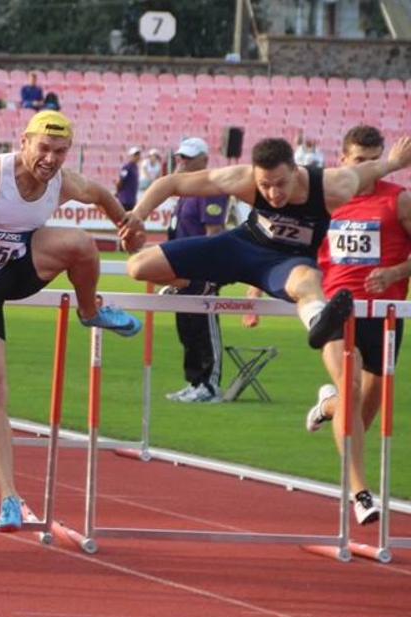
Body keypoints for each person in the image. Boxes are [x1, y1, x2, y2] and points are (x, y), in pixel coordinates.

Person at [0, 110, 144, 533]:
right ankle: (9, 498)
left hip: (20, 266)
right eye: (44, 148)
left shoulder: (63, 180)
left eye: (60, 151)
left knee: (81, 245)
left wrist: (125, 225)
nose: (51, 159)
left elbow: (100, 195)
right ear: (24, 142)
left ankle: (90, 312)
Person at [123, 135, 411, 352]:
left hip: (286, 262)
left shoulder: (333, 184)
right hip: (240, 247)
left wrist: (395, 162)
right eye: (265, 185)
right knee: (138, 267)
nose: (273, 193)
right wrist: (137, 216)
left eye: (281, 183)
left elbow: (372, 169)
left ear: (296, 171)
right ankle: (198, 284)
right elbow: (171, 183)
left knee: (308, 283)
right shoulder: (242, 178)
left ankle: (317, 324)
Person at [302, 125, 411, 525]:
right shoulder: (328, 203)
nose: (371, 168)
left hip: (385, 315)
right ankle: (361, 493)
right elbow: (294, 249)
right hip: (336, 310)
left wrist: (395, 270)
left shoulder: (399, 201)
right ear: (343, 161)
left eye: (377, 159)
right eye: (361, 161)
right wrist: (254, 289)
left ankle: (327, 405)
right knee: (350, 386)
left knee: (362, 413)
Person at [159, 137, 228, 403]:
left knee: (204, 328)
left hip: (201, 271)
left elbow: (213, 233)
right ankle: (195, 381)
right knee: (187, 330)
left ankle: (210, 385)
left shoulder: (210, 189)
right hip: (181, 271)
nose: (183, 162)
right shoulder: (184, 189)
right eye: (181, 157)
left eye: (188, 158)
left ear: (204, 160)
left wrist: (209, 271)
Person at [115, 146, 142, 211]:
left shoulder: (135, 167)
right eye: (135, 155)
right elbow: (121, 180)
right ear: (131, 156)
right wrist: (118, 192)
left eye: (138, 155)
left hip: (132, 199)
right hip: (125, 198)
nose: (137, 157)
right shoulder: (127, 167)